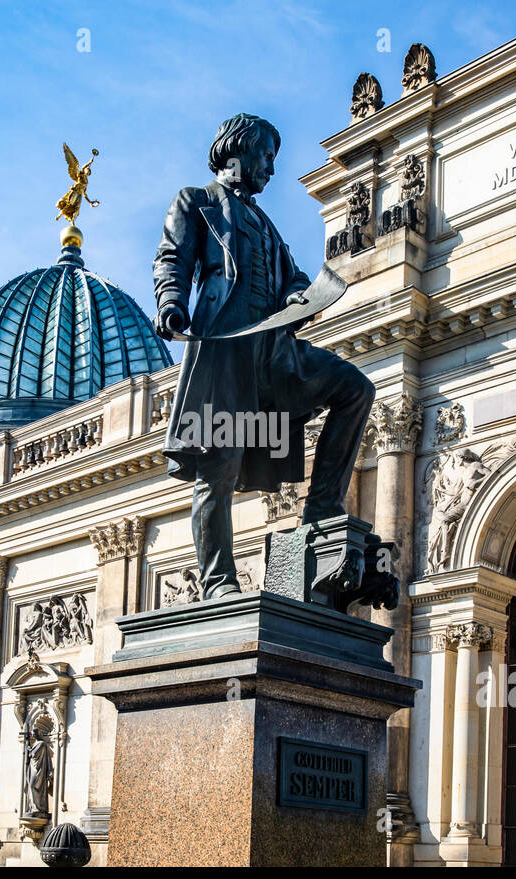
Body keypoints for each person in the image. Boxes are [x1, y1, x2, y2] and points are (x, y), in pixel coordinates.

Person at [153, 114, 375, 600]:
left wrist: (302, 295)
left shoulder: (264, 224)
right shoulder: (198, 202)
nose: (271, 169)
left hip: (273, 350)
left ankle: (321, 510)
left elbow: (292, 276)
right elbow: (172, 258)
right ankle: (218, 583)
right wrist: (171, 304)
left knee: (355, 388)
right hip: (225, 352)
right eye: (266, 156)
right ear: (238, 150)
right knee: (219, 466)